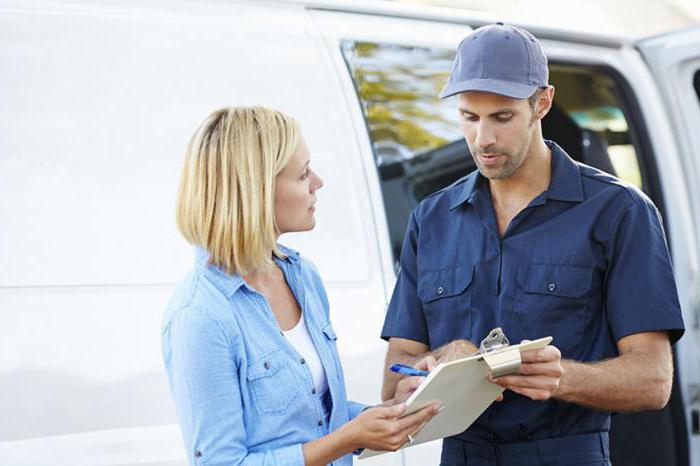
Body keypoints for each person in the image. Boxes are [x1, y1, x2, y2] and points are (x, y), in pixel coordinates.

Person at [380, 22, 685, 466]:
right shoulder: (431, 219)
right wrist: (440, 362)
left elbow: (653, 381)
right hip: (461, 455)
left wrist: (562, 377)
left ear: (542, 102)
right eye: (469, 117)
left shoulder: (619, 212)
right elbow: (393, 382)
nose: (483, 139)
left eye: (502, 117)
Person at [162, 106, 439, 466]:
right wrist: (348, 438)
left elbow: (316, 419)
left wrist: (390, 411)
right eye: (303, 173)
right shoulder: (199, 314)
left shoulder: (301, 276)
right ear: (256, 190)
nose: (318, 183)